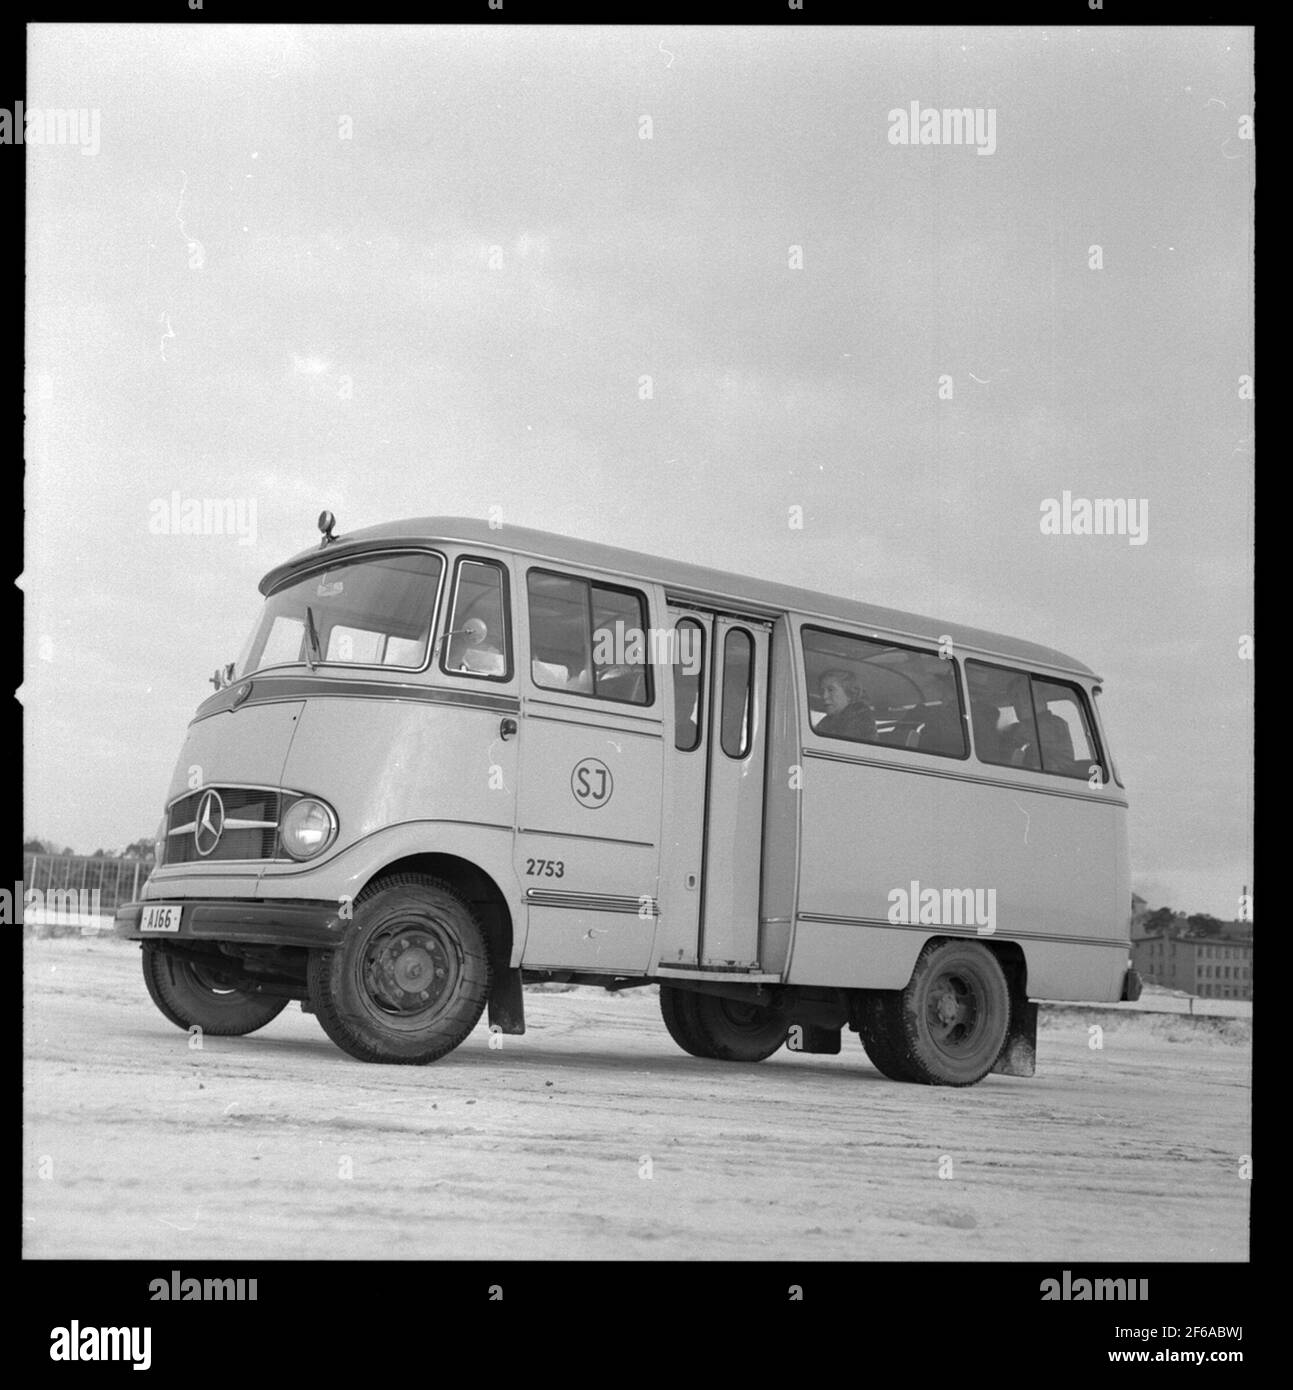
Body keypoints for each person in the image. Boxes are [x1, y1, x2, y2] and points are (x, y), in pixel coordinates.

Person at [815, 669, 876, 741]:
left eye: (831, 690)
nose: (824, 696)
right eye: (822, 691)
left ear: (849, 694)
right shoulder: (826, 722)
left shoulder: (861, 718)